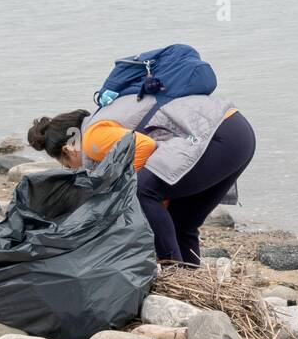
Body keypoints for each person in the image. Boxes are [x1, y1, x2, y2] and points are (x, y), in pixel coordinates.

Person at [27, 93, 254, 265]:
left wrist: (123, 187)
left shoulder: (92, 139)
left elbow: (145, 146)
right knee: (181, 222)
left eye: (67, 165)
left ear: (68, 150)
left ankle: (172, 270)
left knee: (141, 191)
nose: (73, 169)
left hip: (218, 135)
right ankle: (190, 281)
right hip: (237, 132)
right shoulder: (103, 121)